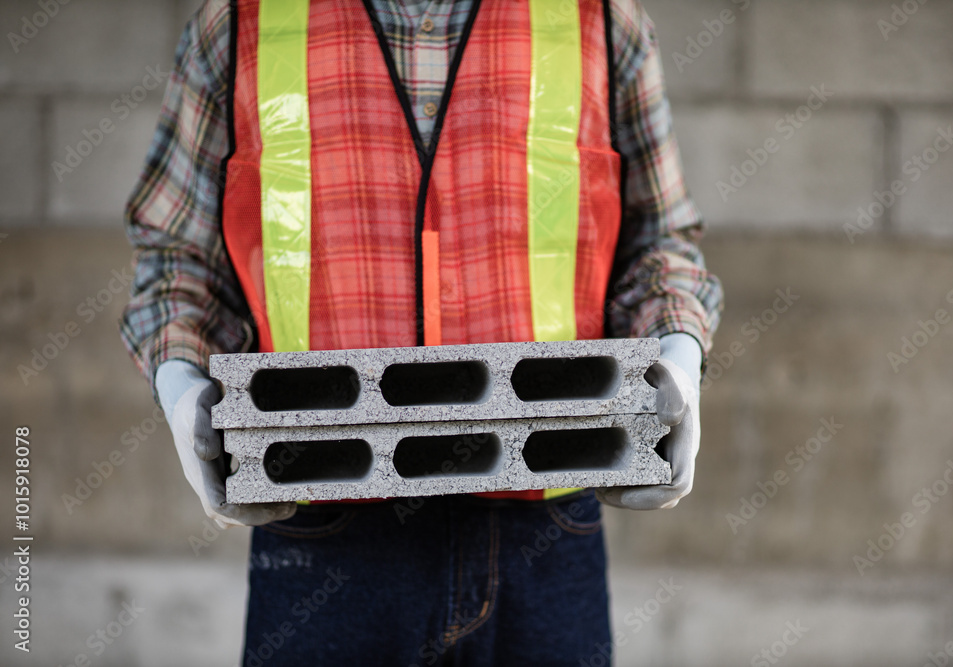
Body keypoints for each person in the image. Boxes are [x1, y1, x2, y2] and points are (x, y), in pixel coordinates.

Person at [119, 0, 723, 663]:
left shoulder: (599, 18)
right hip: (327, 533)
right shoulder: (241, 21)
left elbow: (659, 244)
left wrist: (677, 353)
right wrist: (181, 381)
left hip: (544, 535)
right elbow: (178, 257)